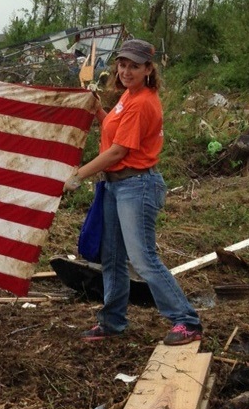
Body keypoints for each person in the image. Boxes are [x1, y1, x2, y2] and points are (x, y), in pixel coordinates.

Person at [66, 39, 203, 345]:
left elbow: (117, 152)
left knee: (142, 259)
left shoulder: (142, 102)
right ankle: (112, 321)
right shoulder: (128, 96)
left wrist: (78, 175)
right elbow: (114, 130)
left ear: (148, 69)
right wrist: (100, 110)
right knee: (112, 257)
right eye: (123, 64)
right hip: (116, 186)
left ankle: (187, 320)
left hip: (136, 185)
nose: (126, 71)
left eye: (134, 66)